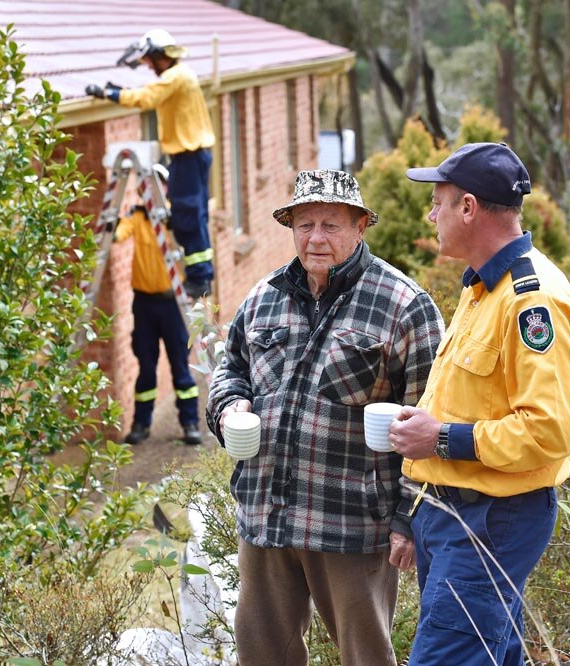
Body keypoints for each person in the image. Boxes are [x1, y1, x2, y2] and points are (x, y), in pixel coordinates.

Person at [205, 169, 445, 666]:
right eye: (304, 223)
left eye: (331, 224)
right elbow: (230, 370)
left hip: (353, 526)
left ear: (360, 226)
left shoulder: (405, 305)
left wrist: (408, 520)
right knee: (263, 658)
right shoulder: (263, 295)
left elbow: (433, 419)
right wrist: (229, 407)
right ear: (291, 228)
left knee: (366, 659)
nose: (315, 237)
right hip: (266, 516)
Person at [389, 143, 570, 665]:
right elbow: (461, 401)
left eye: (438, 201)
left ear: (469, 207)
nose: (431, 214)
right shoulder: (483, 289)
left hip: (491, 519)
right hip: (451, 511)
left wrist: (437, 438)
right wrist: (416, 512)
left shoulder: (530, 300)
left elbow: (549, 431)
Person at [86, 29, 215, 299]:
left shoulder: (174, 77)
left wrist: (107, 93)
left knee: (188, 215)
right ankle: (200, 275)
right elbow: (149, 93)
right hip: (189, 154)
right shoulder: (180, 75)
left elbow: (146, 98)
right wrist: (119, 90)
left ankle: (200, 278)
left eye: (148, 60)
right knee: (190, 214)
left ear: (159, 56)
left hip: (188, 154)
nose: (147, 66)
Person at [115, 206, 201, 445]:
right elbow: (119, 233)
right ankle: (141, 425)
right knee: (146, 367)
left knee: (180, 367)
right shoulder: (137, 218)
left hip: (172, 303)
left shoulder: (174, 219)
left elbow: (192, 239)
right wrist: (113, 224)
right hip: (143, 304)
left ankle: (190, 423)